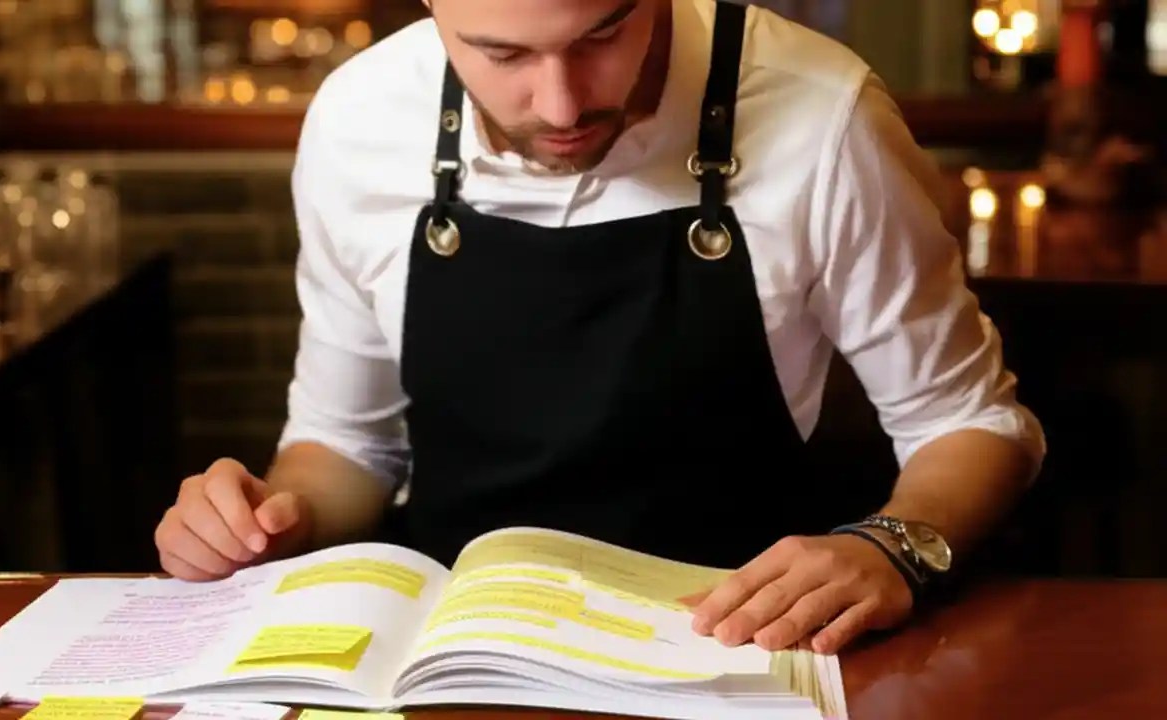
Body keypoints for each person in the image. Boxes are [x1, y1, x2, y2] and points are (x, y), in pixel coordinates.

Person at [154, 0, 1046, 656]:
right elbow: (346, 446)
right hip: (453, 655)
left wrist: (892, 544)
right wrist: (273, 522)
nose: (560, 105)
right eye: (500, 53)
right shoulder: (360, 120)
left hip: (740, 642)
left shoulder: (822, 115)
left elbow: (970, 423)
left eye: (604, 35)